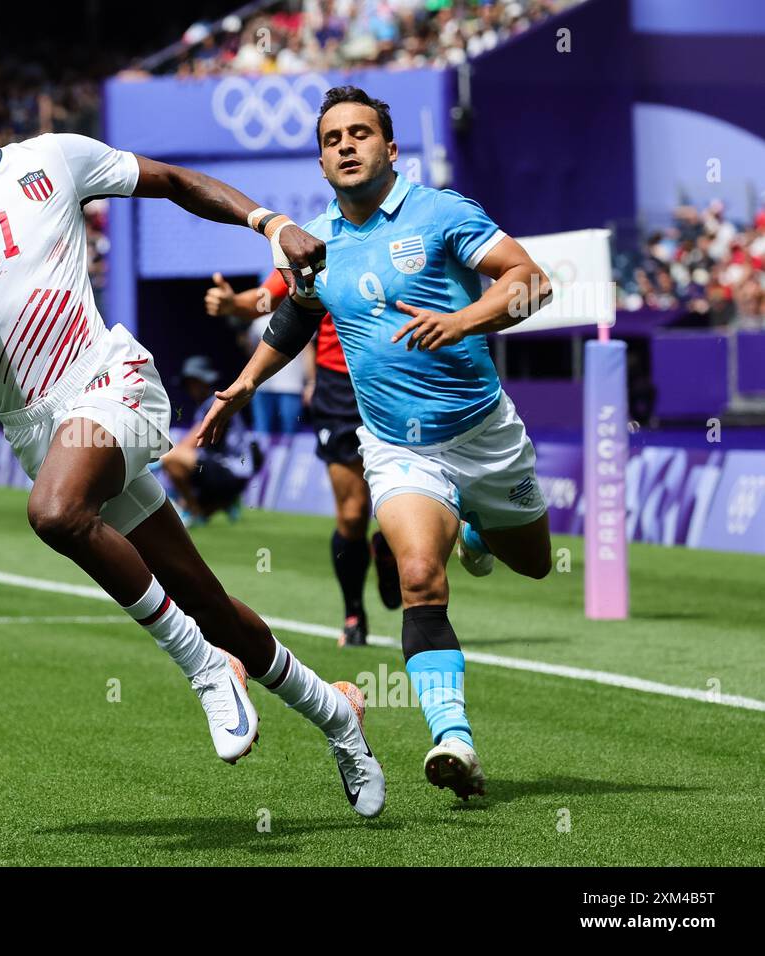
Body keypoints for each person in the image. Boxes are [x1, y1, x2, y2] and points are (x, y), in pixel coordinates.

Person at [0, 55, 384, 817]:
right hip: (38, 428)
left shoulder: (52, 160)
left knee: (54, 513)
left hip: (108, 383)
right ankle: (338, 714)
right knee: (206, 598)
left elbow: (173, 181)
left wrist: (271, 221)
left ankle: (204, 670)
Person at [200, 86, 555, 802]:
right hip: (398, 448)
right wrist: (243, 383)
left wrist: (466, 320)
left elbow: (532, 284)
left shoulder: (443, 212)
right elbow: (296, 320)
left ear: (390, 149)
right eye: (333, 139)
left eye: (361, 134)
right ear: (322, 161)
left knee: (536, 564)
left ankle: (480, 526)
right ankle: (453, 739)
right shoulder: (314, 244)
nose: (347, 146)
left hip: (484, 435)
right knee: (419, 575)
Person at [204, 268, 401, 645]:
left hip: (400, 380)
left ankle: (390, 548)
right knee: (353, 513)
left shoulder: (409, 229)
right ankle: (354, 614)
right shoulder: (315, 242)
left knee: (404, 503)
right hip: (340, 389)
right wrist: (234, 304)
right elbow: (265, 299)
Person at [158, 355, 256, 525]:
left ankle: (194, 512)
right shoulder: (206, 405)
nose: (191, 387)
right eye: (189, 382)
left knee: (171, 459)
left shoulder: (215, 403)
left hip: (230, 473)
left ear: (205, 381)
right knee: (174, 464)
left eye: (194, 381)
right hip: (219, 470)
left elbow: (190, 443)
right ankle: (222, 503)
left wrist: (152, 460)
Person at [206, 272, 308, 434]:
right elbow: (251, 350)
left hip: (291, 386)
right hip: (263, 385)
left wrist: (311, 383)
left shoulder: (304, 311)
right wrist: (235, 309)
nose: (271, 291)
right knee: (262, 436)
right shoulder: (258, 317)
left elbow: (308, 351)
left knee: (291, 438)